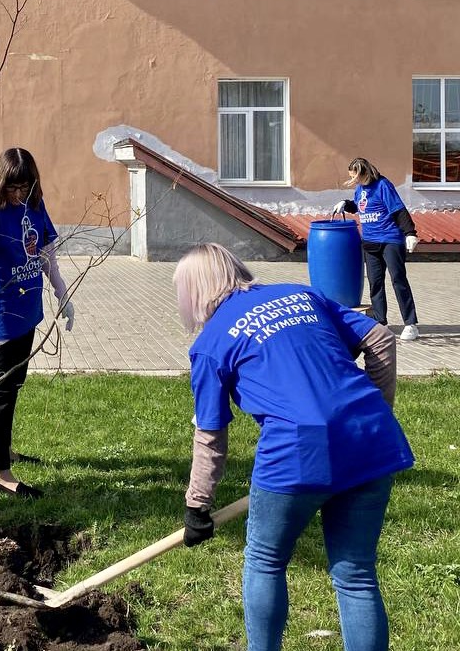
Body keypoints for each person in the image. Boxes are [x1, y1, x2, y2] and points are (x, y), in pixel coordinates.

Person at [172, 243, 414, 651]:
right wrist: (373, 411)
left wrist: (197, 503)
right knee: (356, 574)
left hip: (296, 455)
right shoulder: (301, 293)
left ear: (195, 292)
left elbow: (210, 435)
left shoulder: (211, 343)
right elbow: (381, 341)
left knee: (265, 561)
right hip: (371, 440)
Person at [0, 147, 74, 499]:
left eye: (24, 187)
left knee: (12, 389)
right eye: (13, 187)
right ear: (1, 181)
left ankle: (2, 450)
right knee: (0, 394)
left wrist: (63, 295)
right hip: (1, 315)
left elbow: (47, 257)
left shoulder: (35, 207)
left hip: (28, 312)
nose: (18, 194)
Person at [332, 157, 420, 340]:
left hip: (390, 240)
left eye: (354, 176)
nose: (353, 180)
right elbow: (359, 207)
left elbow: (398, 209)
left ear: (362, 172)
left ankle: (410, 323)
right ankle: (380, 321)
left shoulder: (383, 185)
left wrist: (410, 233)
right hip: (370, 242)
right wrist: (346, 204)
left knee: (398, 280)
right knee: (375, 283)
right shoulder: (360, 189)